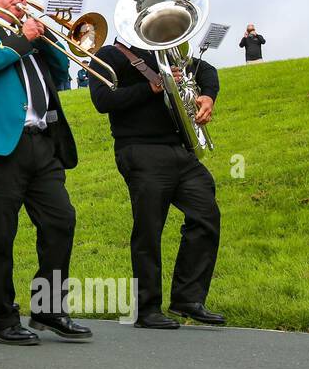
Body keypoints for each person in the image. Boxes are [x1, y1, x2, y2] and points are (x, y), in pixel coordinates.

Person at [0, 0, 91, 345]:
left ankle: (48, 308)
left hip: (42, 143)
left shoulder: (30, 37)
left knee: (61, 221)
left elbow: (60, 77)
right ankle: (2, 316)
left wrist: (47, 43)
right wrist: (23, 39)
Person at [89, 35, 224, 329]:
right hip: (139, 149)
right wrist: (148, 88)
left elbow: (207, 71)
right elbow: (102, 100)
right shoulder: (110, 55)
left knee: (206, 216)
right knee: (149, 229)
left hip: (180, 150)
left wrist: (208, 96)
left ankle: (188, 299)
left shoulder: (168, 52)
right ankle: (147, 309)